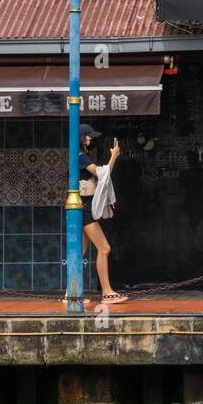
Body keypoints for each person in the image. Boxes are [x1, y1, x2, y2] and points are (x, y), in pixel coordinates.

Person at [79, 124, 128, 305]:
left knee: (80, 252)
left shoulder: (82, 156)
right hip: (84, 209)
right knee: (104, 248)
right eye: (88, 137)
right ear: (82, 138)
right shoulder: (81, 157)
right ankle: (107, 292)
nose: (91, 140)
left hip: (83, 208)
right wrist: (114, 156)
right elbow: (102, 174)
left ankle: (72, 293)